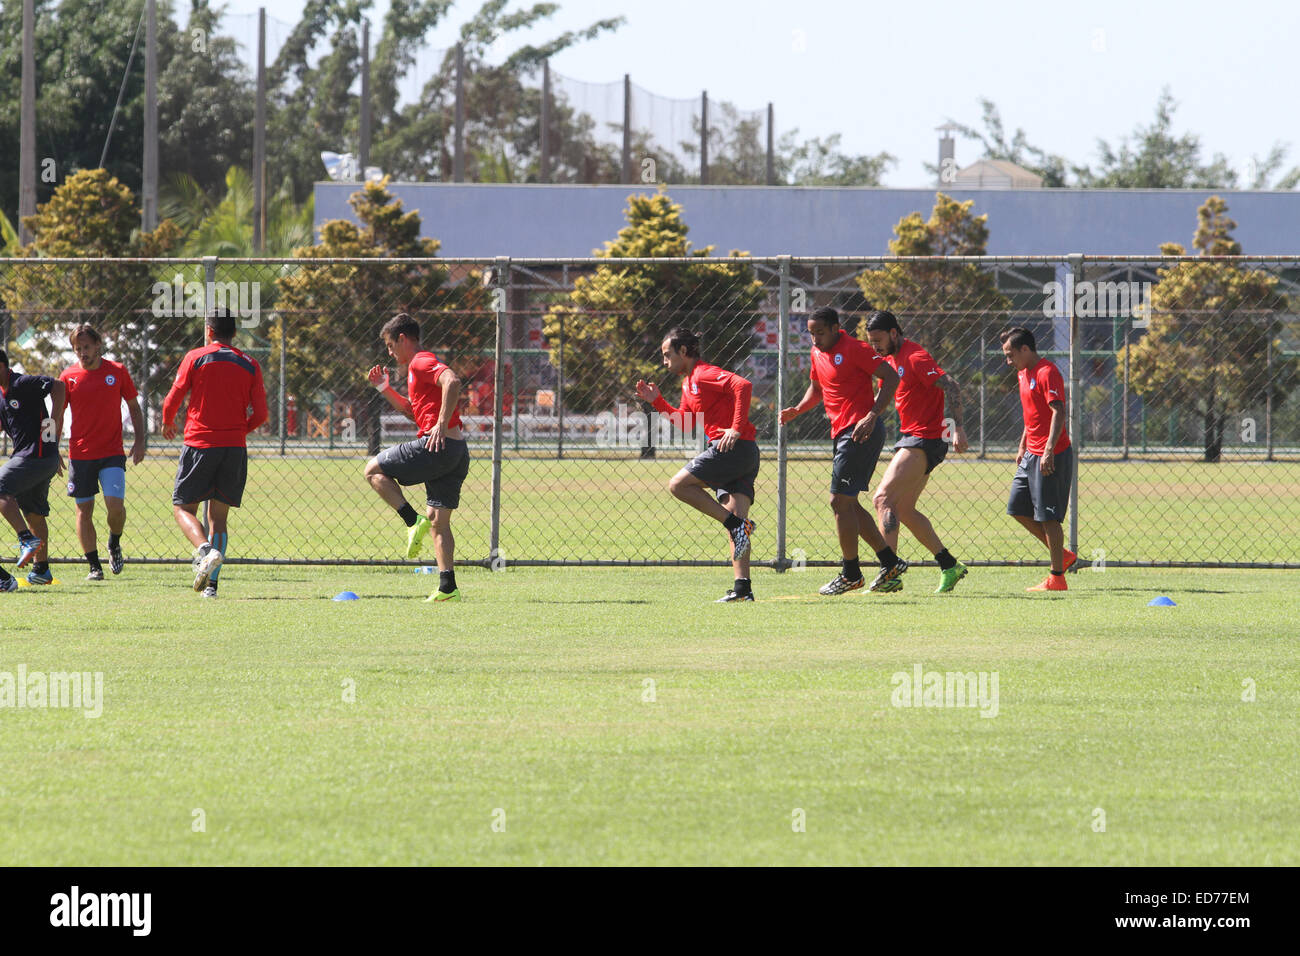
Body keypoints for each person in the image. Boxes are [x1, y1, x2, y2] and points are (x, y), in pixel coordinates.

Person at [780, 307, 900, 595]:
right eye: (810, 333)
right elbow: (817, 389)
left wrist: (871, 415)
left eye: (820, 332)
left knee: (838, 502)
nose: (815, 339)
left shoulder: (855, 348)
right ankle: (890, 563)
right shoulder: (816, 353)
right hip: (842, 432)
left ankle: (850, 573)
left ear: (836, 328)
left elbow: (892, 377)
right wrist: (798, 409)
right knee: (849, 504)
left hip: (860, 431)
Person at [634, 327, 758, 602]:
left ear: (683, 351)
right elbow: (685, 422)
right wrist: (657, 402)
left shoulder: (703, 374)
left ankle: (737, 525)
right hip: (742, 453)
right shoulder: (688, 382)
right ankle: (742, 589)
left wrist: (735, 428)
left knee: (678, 485)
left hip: (733, 449)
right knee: (736, 523)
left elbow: (743, 386)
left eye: (668, 355)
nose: (665, 361)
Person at [161, 309, 268, 597]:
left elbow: (174, 397)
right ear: (234, 333)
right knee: (218, 518)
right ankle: (212, 586)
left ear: (209, 331)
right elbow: (261, 413)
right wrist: (238, 431)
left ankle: (205, 551)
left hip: (200, 444)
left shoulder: (195, 357)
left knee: (183, 508)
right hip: (234, 449)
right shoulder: (250, 363)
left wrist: (167, 421)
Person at [364, 313, 469, 603]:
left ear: (402, 339)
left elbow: (453, 381)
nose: (389, 352)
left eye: (389, 345)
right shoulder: (412, 371)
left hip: (438, 445)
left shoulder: (421, 361)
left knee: (372, 470)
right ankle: (448, 587)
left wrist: (439, 423)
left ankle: (412, 521)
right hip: (457, 450)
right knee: (439, 521)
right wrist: (384, 388)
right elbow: (413, 412)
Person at [863, 310, 969, 594]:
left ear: (894, 333)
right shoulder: (888, 360)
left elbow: (952, 385)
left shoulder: (915, 357)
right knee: (904, 510)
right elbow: (883, 397)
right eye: (871, 341)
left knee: (883, 498)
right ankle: (950, 565)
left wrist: (958, 427)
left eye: (879, 340)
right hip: (913, 438)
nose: (875, 346)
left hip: (924, 439)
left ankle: (890, 573)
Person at [59, 325, 146, 581]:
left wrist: (140, 441)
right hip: (81, 454)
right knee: (83, 511)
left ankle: (114, 542)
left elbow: (134, 407)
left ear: (98, 345)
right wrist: (52, 447)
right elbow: (57, 414)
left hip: (111, 453)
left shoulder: (117, 371)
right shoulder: (68, 376)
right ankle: (94, 565)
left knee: (115, 508)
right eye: (78, 349)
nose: (82, 353)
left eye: (86, 347)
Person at [1000, 327, 1078, 591]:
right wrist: (1023, 445)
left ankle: (1057, 578)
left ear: (1025, 350)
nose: (1008, 361)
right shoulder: (1023, 373)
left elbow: (1058, 413)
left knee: (1048, 517)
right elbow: (1032, 414)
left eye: (1011, 355)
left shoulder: (1048, 372)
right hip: (1030, 453)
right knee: (1017, 508)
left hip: (1051, 454)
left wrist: (1047, 451)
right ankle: (1063, 555)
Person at [0, 350, 66, 591]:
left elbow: (58, 386)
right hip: (40, 459)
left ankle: (26, 539)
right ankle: (41, 570)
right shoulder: (2, 394)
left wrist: (53, 428)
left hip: (35, 457)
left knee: (0, 489)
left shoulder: (22, 382)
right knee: (34, 512)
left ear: (4, 367)